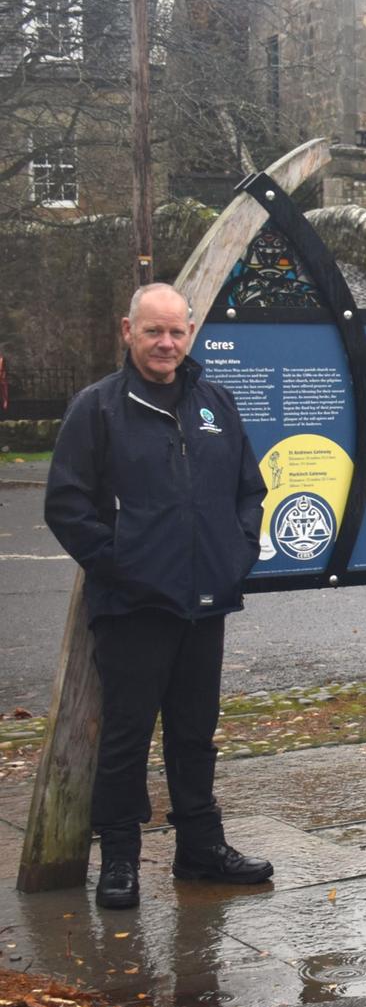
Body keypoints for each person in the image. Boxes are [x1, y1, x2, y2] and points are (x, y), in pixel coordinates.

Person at [44, 283, 275, 910]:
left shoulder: (216, 403)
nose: (166, 343)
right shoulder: (98, 408)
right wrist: (122, 566)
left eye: (176, 331)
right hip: (133, 607)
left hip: (205, 602)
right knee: (126, 737)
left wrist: (237, 554)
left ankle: (200, 849)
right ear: (129, 331)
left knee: (195, 734)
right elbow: (66, 504)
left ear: (190, 334)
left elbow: (249, 490)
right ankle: (119, 860)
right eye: (153, 331)